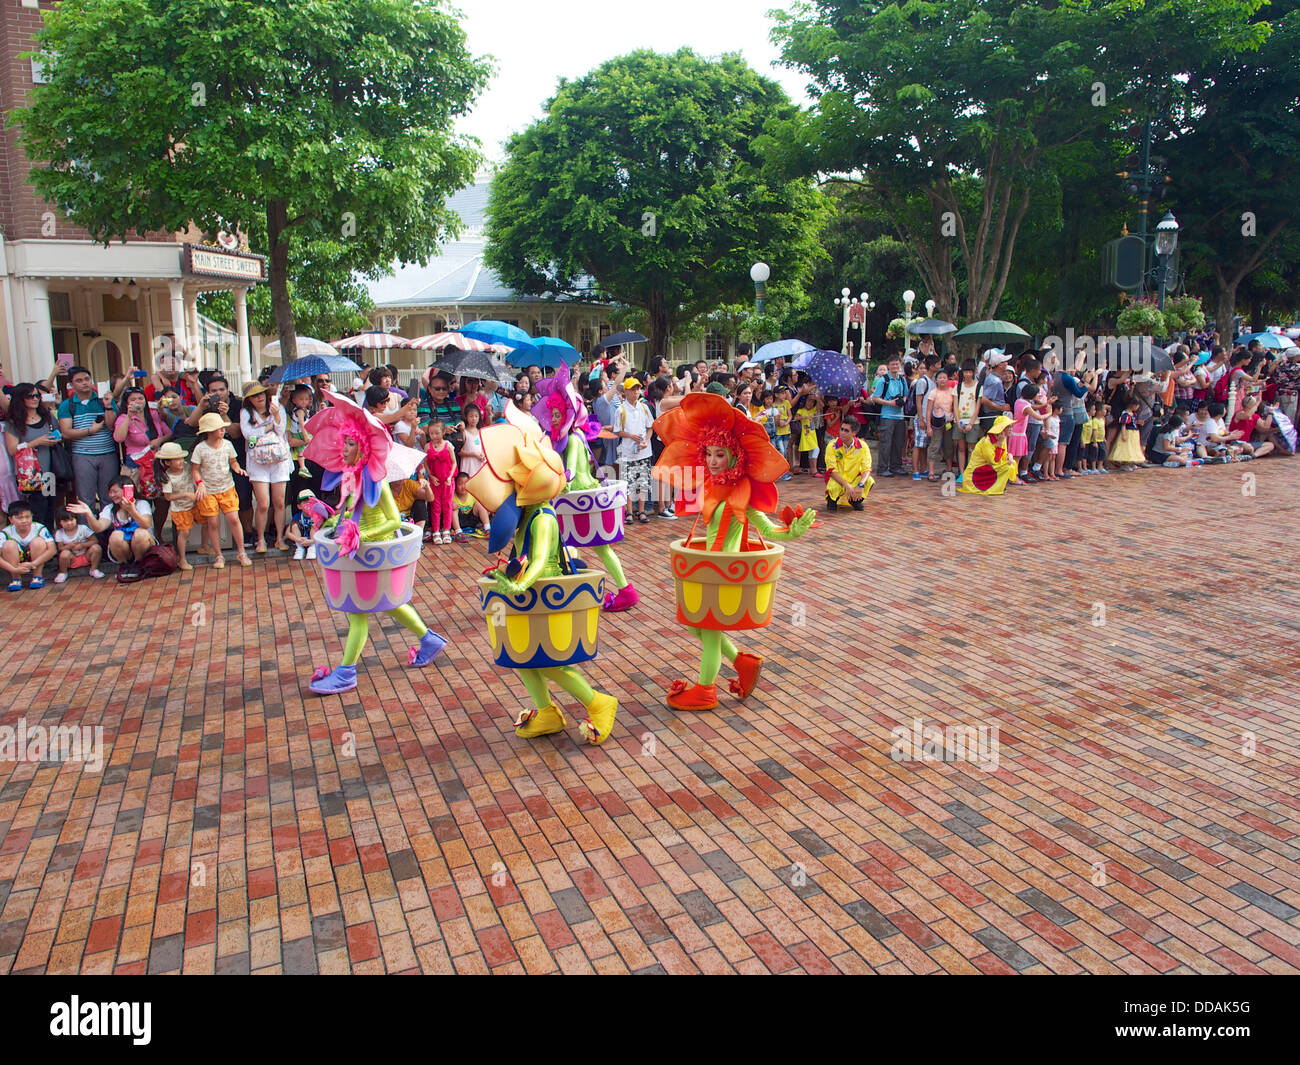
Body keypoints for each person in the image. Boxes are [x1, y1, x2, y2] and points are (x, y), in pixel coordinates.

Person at [651, 393, 815, 711]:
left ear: (735, 455)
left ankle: (705, 690)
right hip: (709, 565)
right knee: (693, 623)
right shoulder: (713, 486)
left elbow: (765, 529)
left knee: (708, 632)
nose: (712, 461)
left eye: (720, 454)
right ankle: (742, 661)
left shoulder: (741, 490)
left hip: (723, 572)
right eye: (709, 454)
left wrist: (791, 531)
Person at [464, 415, 617, 744]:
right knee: (524, 659)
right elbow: (523, 559)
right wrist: (507, 573)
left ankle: (598, 702)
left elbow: (540, 559)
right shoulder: (526, 516)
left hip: (547, 593)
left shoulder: (543, 517)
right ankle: (545, 711)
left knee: (549, 663)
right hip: (530, 597)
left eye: (516, 482)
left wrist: (521, 582)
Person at [304, 391, 447, 694]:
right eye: (344, 441)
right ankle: (429, 639)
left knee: (358, 614)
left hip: (374, 550)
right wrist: (330, 520)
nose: (344, 447)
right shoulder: (350, 476)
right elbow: (349, 514)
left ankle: (346, 672)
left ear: (365, 446)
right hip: (362, 551)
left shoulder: (377, 481)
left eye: (351, 442)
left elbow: (396, 521)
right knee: (391, 604)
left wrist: (362, 536)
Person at [190, 411, 252, 568]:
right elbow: (195, 469)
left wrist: (238, 469)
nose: (223, 431)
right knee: (213, 522)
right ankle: (219, 555)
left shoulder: (228, 445)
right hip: (208, 491)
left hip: (227, 487)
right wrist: (200, 483)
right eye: (220, 429)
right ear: (209, 432)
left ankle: (241, 552)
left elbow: (233, 462)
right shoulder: (200, 448)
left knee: (233, 519)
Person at [240, 382, 293, 553]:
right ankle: (260, 539)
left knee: (279, 502)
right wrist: (266, 428)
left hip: (278, 460)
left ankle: (279, 538)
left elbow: (280, 430)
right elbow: (249, 436)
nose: (260, 397)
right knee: (263, 503)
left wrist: (275, 418)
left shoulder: (277, 408)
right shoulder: (245, 413)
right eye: (255, 395)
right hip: (257, 462)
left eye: (261, 393)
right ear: (249, 399)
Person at [58, 365, 118, 512]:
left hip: (108, 453)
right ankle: (88, 532)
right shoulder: (67, 405)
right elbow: (65, 432)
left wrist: (109, 406)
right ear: (71, 384)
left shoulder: (102, 400)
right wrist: (90, 431)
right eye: (79, 380)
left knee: (109, 496)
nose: (84, 383)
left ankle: (110, 530)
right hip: (82, 455)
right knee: (85, 497)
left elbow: (111, 426)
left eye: (87, 379)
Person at [5, 382, 60, 529]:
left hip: (49, 472)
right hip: (30, 474)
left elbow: (58, 433)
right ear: (20, 399)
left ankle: (49, 544)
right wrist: (35, 442)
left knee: (49, 510)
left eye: (37, 395)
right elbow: (12, 449)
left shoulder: (47, 416)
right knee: (36, 511)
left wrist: (55, 438)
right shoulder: (14, 422)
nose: (35, 399)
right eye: (31, 396)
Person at [72, 476, 157, 569]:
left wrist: (132, 510)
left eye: (115, 491)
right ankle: (124, 566)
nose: (112, 495)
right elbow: (98, 528)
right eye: (110, 492)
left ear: (126, 490)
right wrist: (88, 513)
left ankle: (138, 564)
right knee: (115, 535)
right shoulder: (110, 508)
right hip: (125, 550)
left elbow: (146, 524)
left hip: (144, 545)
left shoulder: (141, 504)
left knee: (140, 533)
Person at [614, 377, 654, 523]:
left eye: (637, 389)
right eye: (633, 389)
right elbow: (618, 431)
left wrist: (647, 440)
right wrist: (631, 436)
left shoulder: (644, 407)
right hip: (628, 451)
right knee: (628, 482)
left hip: (644, 450)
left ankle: (642, 511)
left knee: (643, 482)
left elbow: (650, 427)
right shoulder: (621, 409)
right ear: (626, 392)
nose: (636, 392)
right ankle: (629, 512)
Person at [156, 441, 198, 570]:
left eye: (181, 458)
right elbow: (168, 497)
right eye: (176, 459)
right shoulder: (167, 478)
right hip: (180, 508)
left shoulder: (186, 466)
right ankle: (182, 559)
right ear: (168, 462)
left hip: (193, 503)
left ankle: (204, 546)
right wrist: (186, 494)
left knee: (207, 519)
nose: (181, 461)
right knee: (184, 532)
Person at [1, 500, 56, 590]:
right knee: (8, 545)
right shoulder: (5, 532)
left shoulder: (39, 528)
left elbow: (52, 549)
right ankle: (16, 578)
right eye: (19, 518)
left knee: (38, 542)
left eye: (27, 517)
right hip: (15, 561)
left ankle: (37, 576)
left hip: (35, 560)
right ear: (10, 519)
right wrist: (13, 569)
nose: (24, 521)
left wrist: (33, 564)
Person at [957, 415, 1018, 495]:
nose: (1011, 429)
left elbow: (1002, 457)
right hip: (976, 474)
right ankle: (996, 486)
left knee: (1011, 463)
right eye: (1008, 427)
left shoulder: (1002, 438)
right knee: (1006, 466)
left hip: (987, 469)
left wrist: (1009, 456)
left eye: (1011, 427)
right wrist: (999, 445)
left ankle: (999, 485)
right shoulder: (987, 442)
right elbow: (994, 462)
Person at [823, 416, 873, 511]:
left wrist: (860, 485)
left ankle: (855, 500)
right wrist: (847, 485)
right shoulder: (832, 446)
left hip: (854, 479)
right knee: (833, 487)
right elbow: (832, 470)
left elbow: (867, 469)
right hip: (838, 479)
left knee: (869, 480)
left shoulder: (863, 446)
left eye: (846, 430)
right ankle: (832, 500)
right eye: (841, 429)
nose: (842, 432)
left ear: (854, 433)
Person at [870, 357, 908, 476]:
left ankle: (896, 466)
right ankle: (882, 468)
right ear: (888, 366)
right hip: (887, 415)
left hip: (900, 416)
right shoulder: (883, 380)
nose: (895, 367)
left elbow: (906, 395)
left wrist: (902, 401)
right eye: (893, 365)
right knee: (885, 443)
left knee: (898, 443)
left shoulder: (902, 380)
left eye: (897, 364)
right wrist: (889, 403)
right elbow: (875, 398)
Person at [424, 420, 458, 544]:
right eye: (431, 433)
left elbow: (454, 462)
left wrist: (449, 477)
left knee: (447, 505)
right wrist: (431, 476)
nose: (434, 436)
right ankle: (436, 530)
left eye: (437, 433)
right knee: (435, 506)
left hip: (447, 481)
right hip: (435, 481)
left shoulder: (448, 445)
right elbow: (426, 463)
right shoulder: (427, 446)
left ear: (443, 432)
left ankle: (446, 530)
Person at [53, 507, 104, 582]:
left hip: (86, 556)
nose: (69, 523)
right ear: (60, 522)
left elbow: (94, 541)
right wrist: (69, 546)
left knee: (96, 548)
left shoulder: (83, 528)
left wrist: (82, 545)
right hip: (71, 559)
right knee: (64, 554)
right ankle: (63, 573)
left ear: (76, 519)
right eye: (65, 521)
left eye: (71, 520)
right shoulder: (59, 533)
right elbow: (60, 548)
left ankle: (94, 569)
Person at [909, 354, 938, 481]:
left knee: (924, 445)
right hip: (922, 418)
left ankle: (923, 468)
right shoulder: (923, 381)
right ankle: (915, 470)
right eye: (937, 364)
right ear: (932, 366)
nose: (939, 366)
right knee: (918, 444)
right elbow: (919, 401)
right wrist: (921, 419)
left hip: (929, 418)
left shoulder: (933, 382)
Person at [924, 369, 955, 480]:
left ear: (948, 379)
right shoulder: (933, 392)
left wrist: (953, 417)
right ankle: (931, 472)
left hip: (949, 424)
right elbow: (928, 410)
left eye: (944, 377)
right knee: (934, 446)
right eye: (940, 377)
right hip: (936, 423)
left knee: (949, 446)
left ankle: (949, 469)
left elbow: (955, 408)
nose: (942, 380)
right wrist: (928, 426)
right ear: (936, 380)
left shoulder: (952, 391)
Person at [954, 359, 981, 483]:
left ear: (974, 371)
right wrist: (958, 421)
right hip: (959, 421)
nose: (968, 374)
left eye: (970, 372)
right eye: (965, 372)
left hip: (973, 422)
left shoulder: (979, 386)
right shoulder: (958, 386)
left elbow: (978, 406)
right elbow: (955, 405)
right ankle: (961, 472)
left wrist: (971, 423)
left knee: (971, 448)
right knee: (961, 447)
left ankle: (970, 472)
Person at [1108, 397, 1145, 471]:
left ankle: (1131, 463)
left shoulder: (1133, 414)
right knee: (1126, 449)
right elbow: (1123, 425)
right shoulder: (1125, 414)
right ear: (1133, 405)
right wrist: (1124, 434)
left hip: (1134, 433)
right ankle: (1125, 464)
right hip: (1128, 432)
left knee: (1132, 448)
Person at [453, 471, 488, 539]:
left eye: (466, 483)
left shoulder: (472, 494)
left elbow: (482, 507)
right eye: (460, 484)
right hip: (458, 521)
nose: (463, 487)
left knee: (480, 505)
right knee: (453, 508)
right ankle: (458, 532)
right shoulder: (452, 495)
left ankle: (487, 528)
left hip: (471, 519)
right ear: (455, 484)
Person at [458, 402, 486, 479]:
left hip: (479, 463)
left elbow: (483, 448)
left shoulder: (481, 432)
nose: (474, 419)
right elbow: (460, 452)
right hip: (468, 464)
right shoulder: (464, 432)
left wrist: (482, 454)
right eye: (471, 416)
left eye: (476, 416)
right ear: (466, 417)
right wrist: (474, 454)